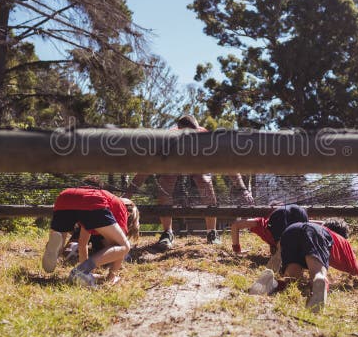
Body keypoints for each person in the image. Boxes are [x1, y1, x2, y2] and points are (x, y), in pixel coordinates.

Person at [128, 114, 253, 250]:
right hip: (173, 164)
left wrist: (243, 189)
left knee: (205, 181)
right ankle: (167, 233)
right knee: (166, 182)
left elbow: (228, 165)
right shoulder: (166, 142)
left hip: (197, 163)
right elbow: (144, 171)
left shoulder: (207, 141)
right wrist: (126, 197)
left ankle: (212, 232)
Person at [249, 218, 358, 311]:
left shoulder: (318, 226)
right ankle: (320, 280)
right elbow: (355, 268)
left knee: (292, 280)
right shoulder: (340, 240)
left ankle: (273, 284)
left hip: (290, 231)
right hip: (313, 234)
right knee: (317, 274)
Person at [42, 186, 133, 287]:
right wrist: (112, 275)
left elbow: (82, 244)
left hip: (64, 197)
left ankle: (57, 250)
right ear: (128, 213)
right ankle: (82, 271)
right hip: (93, 201)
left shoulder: (103, 202)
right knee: (124, 246)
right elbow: (119, 247)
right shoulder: (121, 209)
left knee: (59, 239)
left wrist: (86, 268)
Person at [231, 204, 309, 270]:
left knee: (282, 250)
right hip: (301, 212)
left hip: (284, 216)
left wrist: (237, 251)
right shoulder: (262, 224)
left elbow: (235, 225)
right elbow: (235, 225)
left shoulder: (262, 223)